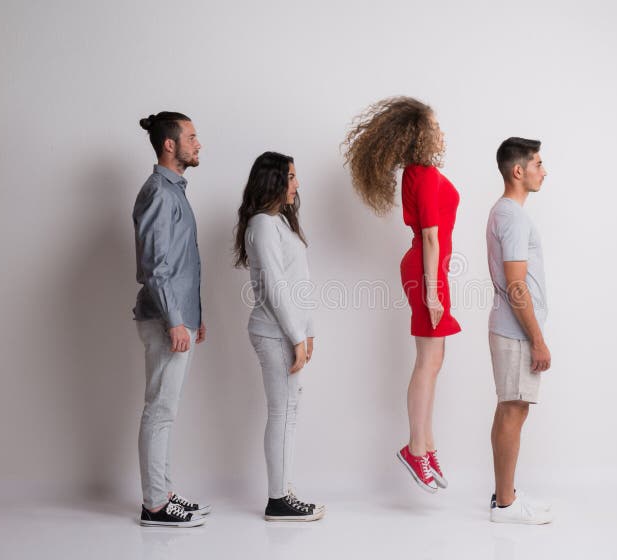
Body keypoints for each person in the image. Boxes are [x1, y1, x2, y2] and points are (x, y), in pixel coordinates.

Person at [344, 96, 460, 493]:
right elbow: (429, 236)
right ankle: (415, 449)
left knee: (434, 359)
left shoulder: (421, 171)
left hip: (432, 270)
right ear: (421, 135)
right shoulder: (422, 175)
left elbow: (435, 237)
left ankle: (426, 447)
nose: (442, 133)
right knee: (428, 361)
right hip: (426, 271)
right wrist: (431, 291)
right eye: (435, 126)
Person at [234, 151, 325, 521]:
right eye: (291, 176)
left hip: (288, 333)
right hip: (274, 334)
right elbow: (274, 287)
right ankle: (278, 500)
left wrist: (309, 331)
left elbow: (299, 281)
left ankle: (283, 491)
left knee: (288, 413)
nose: (297, 183)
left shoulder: (279, 223)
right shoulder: (262, 224)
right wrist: (296, 336)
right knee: (282, 413)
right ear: (273, 180)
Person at [133, 112, 210, 527]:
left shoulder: (173, 191)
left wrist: (192, 317)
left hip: (175, 318)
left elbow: (181, 263)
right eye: (192, 138)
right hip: (165, 321)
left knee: (165, 410)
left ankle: (161, 492)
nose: (199, 144)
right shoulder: (160, 193)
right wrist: (175, 319)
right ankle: (155, 506)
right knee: (159, 411)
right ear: (170, 144)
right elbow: (155, 266)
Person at [486, 137, 553, 524]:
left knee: (511, 409)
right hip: (516, 331)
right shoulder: (512, 215)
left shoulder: (507, 213)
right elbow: (516, 284)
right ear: (518, 170)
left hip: (512, 329)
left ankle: (505, 495)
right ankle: (507, 505)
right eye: (538, 164)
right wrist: (538, 339)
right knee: (513, 411)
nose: (543, 172)